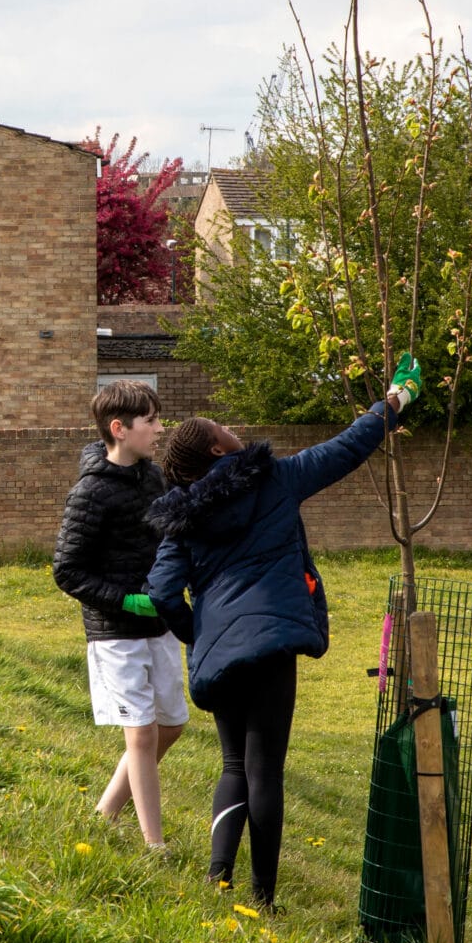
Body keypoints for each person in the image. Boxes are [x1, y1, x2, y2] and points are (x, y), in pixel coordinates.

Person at [144, 355, 423, 906]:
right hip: (272, 643)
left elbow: (159, 591)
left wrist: (197, 633)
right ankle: (263, 897)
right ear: (218, 450)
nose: (237, 431)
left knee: (232, 765)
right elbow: (346, 448)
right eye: (228, 430)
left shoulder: (182, 520)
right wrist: (394, 402)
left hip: (220, 652)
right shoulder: (273, 479)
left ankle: (218, 876)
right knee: (265, 769)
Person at [53, 380, 183, 852]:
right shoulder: (89, 493)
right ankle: (155, 845)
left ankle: (106, 811)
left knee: (172, 724)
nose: (159, 428)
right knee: (143, 733)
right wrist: (126, 600)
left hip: (160, 624)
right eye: (151, 420)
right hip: (114, 634)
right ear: (119, 428)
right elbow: (67, 571)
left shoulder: (153, 478)